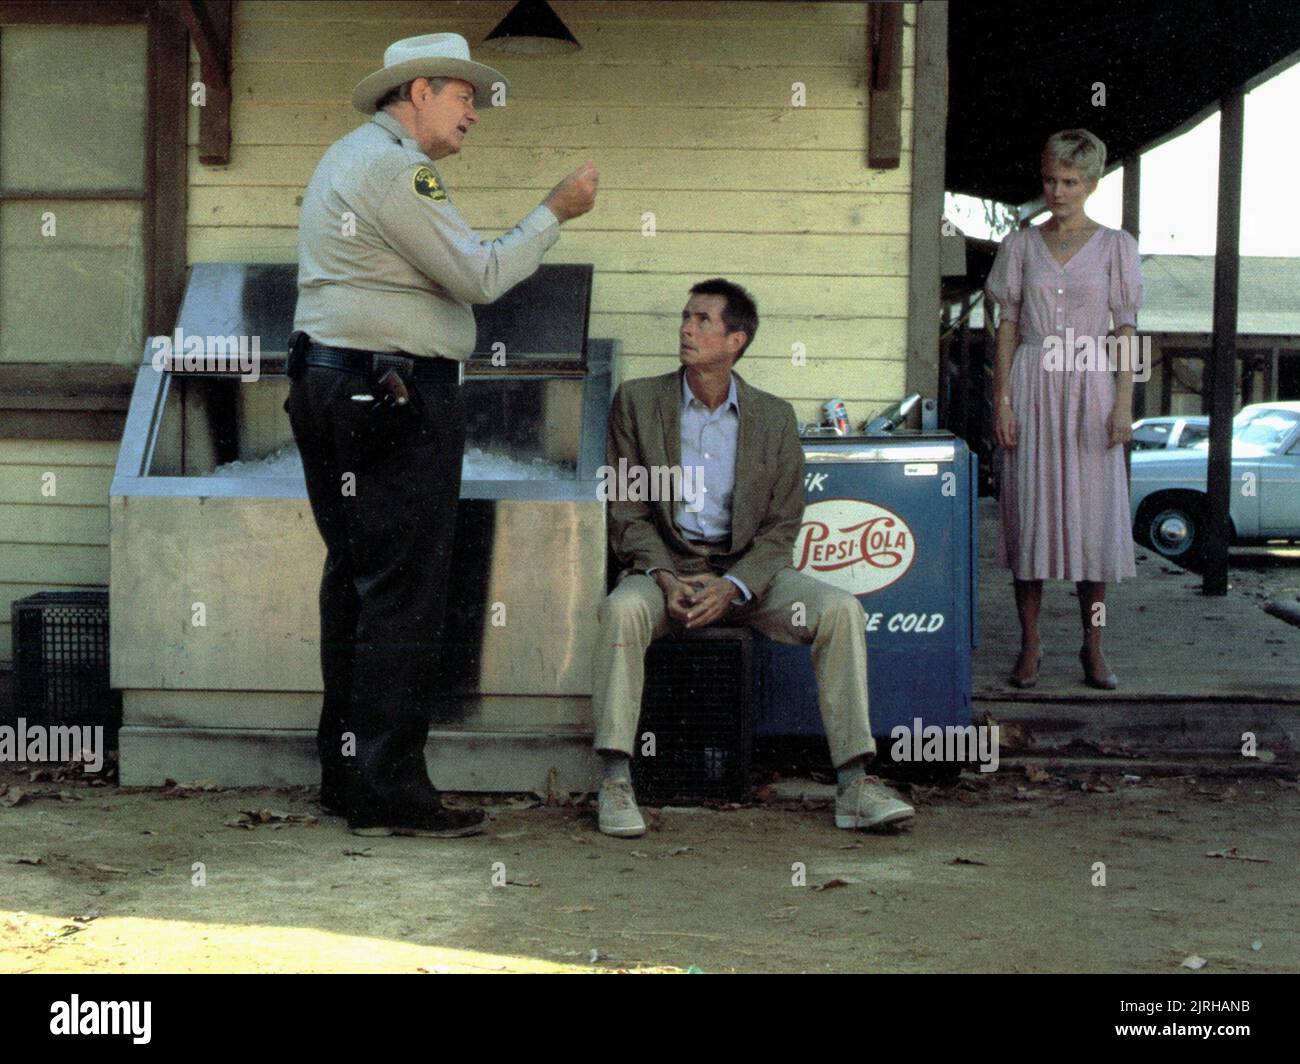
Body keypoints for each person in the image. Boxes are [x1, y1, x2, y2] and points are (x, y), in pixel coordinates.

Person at [284, 33, 597, 837]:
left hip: (332, 383)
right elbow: (479, 275)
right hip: (391, 394)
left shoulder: (348, 156)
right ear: (417, 92)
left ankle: (349, 774)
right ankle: (390, 791)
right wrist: (552, 213)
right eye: (465, 97)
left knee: (357, 581)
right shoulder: (396, 167)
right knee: (402, 594)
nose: (475, 115)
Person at [590, 278, 915, 838]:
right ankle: (616, 781)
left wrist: (736, 586)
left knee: (839, 610)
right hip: (668, 573)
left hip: (747, 581)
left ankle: (855, 785)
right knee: (621, 612)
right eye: (685, 318)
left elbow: (782, 526)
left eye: (703, 321)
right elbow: (627, 511)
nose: (686, 330)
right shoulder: (638, 403)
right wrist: (666, 579)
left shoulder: (773, 417)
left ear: (736, 339)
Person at [985, 129, 1143, 691]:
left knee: (1091, 520)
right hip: (1031, 381)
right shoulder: (1020, 245)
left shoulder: (1116, 246)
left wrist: (1124, 402)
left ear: (1092, 184)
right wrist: (1002, 400)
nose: (1058, 190)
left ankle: (1092, 648)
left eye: (1071, 181)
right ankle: (1030, 645)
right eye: (1051, 179)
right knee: (1030, 512)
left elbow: (1125, 329)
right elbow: (1006, 327)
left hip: (1091, 384)